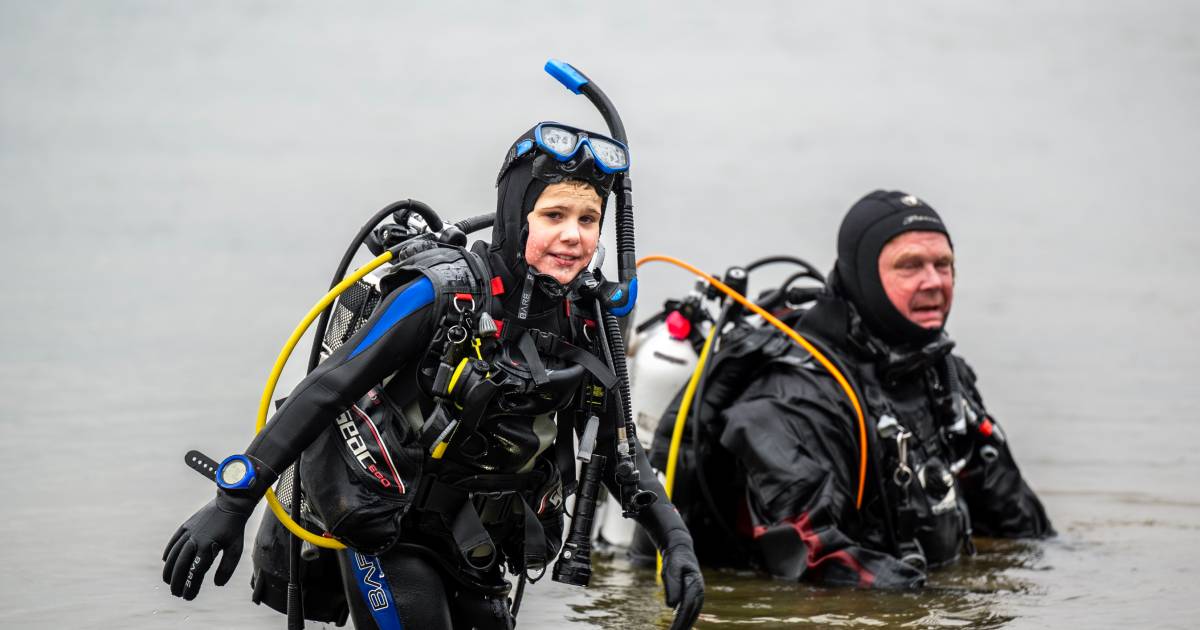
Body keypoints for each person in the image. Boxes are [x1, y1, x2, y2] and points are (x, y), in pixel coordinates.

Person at [161, 122, 705, 628]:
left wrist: (674, 541)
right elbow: (326, 389)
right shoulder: (441, 293)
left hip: (479, 540)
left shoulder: (587, 322)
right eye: (554, 216)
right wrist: (232, 503)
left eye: (587, 220)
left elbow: (615, 451)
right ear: (517, 217)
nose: (573, 236)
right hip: (386, 527)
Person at [652, 189, 1053, 588]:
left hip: (916, 581)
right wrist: (948, 605)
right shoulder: (792, 397)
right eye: (910, 265)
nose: (934, 281)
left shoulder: (941, 374)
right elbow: (811, 558)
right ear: (864, 276)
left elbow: (1020, 520)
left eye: (943, 264)